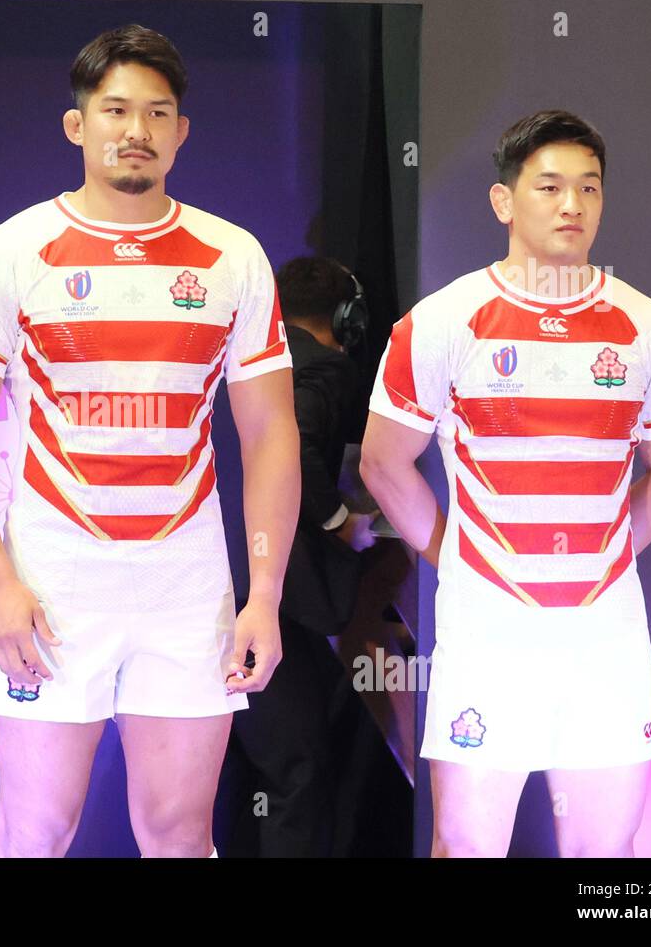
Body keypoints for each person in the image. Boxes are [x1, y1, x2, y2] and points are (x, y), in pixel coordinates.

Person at [0, 25, 300, 858]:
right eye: (116, 109)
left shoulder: (232, 257)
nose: (136, 129)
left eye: (157, 113)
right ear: (79, 125)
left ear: (180, 132)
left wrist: (264, 593)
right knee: (34, 832)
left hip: (186, 579)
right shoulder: (12, 251)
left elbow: (271, 431)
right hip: (54, 579)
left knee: (177, 833)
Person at [361, 110, 651, 857]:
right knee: (467, 849)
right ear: (504, 201)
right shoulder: (442, 323)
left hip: (604, 636)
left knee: (605, 861)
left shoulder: (648, 327)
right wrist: (463, 560)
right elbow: (383, 464)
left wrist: (602, 557)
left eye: (589, 188)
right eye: (549, 187)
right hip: (488, 637)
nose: (572, 204)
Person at [228, 255, 377, 856]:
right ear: (347, 318)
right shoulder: (318, 370)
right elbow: (300, 453)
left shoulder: (237, 359)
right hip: (268, 601)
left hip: (202, 585)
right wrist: (343, 523)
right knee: (298, 771)